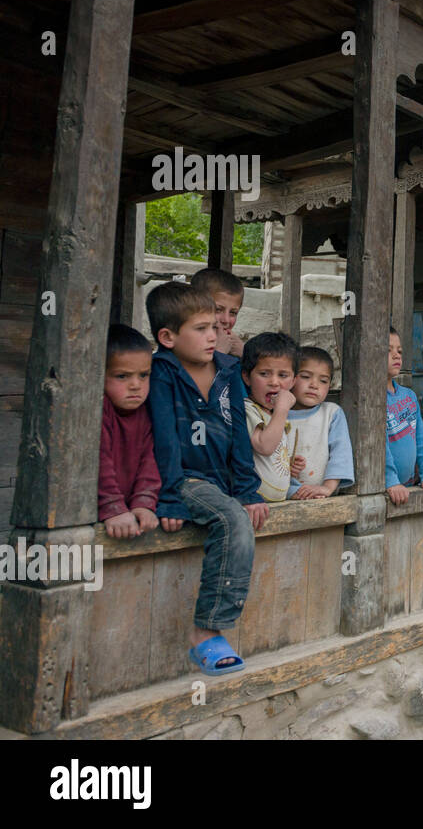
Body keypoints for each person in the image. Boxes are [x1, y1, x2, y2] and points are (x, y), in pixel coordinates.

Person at [146, 282, 266, 676]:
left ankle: (209, 632)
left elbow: (237, 438)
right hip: (186, 480)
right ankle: (205, 633)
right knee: (233, 522)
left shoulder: (229, 372)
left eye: (215, 326)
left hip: (222, 480)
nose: (214, 335)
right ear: (167, 337)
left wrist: (247, 490)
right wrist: (169, 499)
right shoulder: (161, 373)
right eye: (201, 328)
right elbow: (163, 440)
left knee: (241, 512)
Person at [99, 324, 161, 540]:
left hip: (126, 514)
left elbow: (149, 461)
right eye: (122, 376)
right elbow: (97, 462)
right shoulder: (98, 410)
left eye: (143, 375)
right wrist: (112, 507)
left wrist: (144, 503)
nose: (136, 385)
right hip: (96, 514)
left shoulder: (145, 411)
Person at [241, 332, 302, 503]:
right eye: (264, 374)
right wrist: (282, 409)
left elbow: (272, 457)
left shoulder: (276, 415)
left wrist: (289, 466)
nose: (274, 382)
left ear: (293, 381)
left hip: (278, 505)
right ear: (246, 377)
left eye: (283, 375)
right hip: (254, 503)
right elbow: (264, 446)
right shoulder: (249, 409)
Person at [287, 347, 354, 499]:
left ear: (330, 385)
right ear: (290, 378)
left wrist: (327, 488)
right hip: (285, 493)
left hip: (323, 495)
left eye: (323, 380)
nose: (314, 385)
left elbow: (340, 453)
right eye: (305, 377)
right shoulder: (278, 414)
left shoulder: (331, 413)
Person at [385, 327, 423, 505]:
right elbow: (377, 445)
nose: (397, 355)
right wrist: (390, 480)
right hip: (384, 489)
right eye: (388, 350)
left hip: (409, 487)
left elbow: (421, 439)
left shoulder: (408, 395)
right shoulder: (370, 400)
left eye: (399, 351)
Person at [190, 267, 246, 363]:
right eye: (218, 310)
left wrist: (246, 355)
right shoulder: (184, 347)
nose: (226, 320)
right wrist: (219, 355)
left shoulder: (236, 351)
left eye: (233, 313)